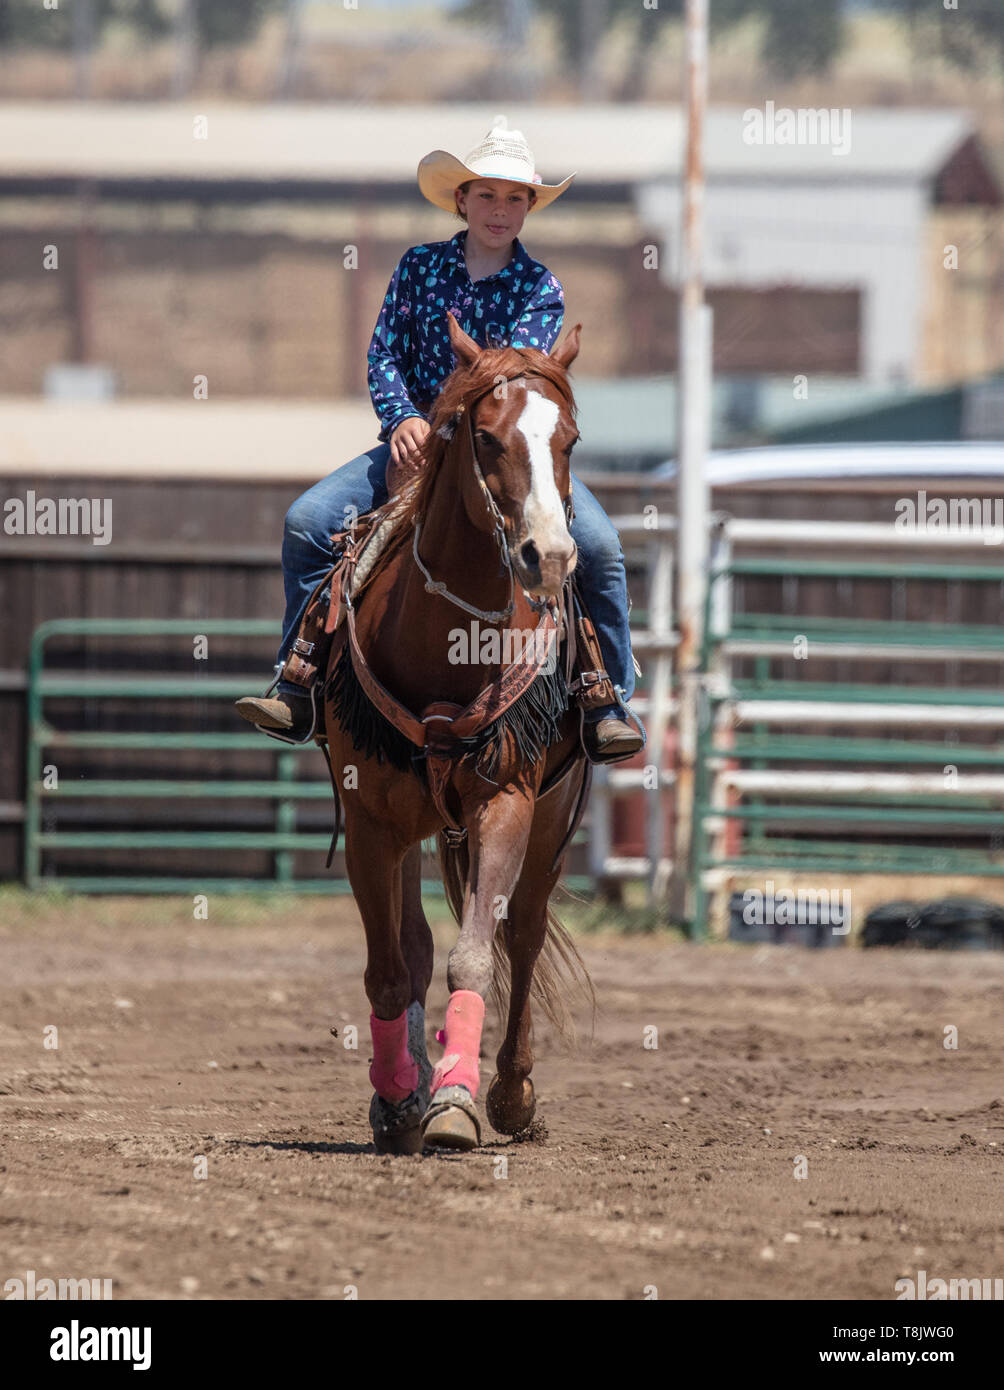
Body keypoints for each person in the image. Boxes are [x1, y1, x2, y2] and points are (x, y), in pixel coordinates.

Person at [236, 116, 645, 762]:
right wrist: (403, 418)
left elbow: (518, 388)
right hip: (415, 444)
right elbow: (383, 355)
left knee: (600, 545)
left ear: (529, 208)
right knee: (308, 522)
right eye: (487, 195)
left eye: (516, 198)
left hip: (504, 456)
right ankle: (300, 678)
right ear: (462, 200)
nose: (501, 210)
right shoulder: (418, 268)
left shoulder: (541, 291)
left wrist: (453, 423)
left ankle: (606, 696)